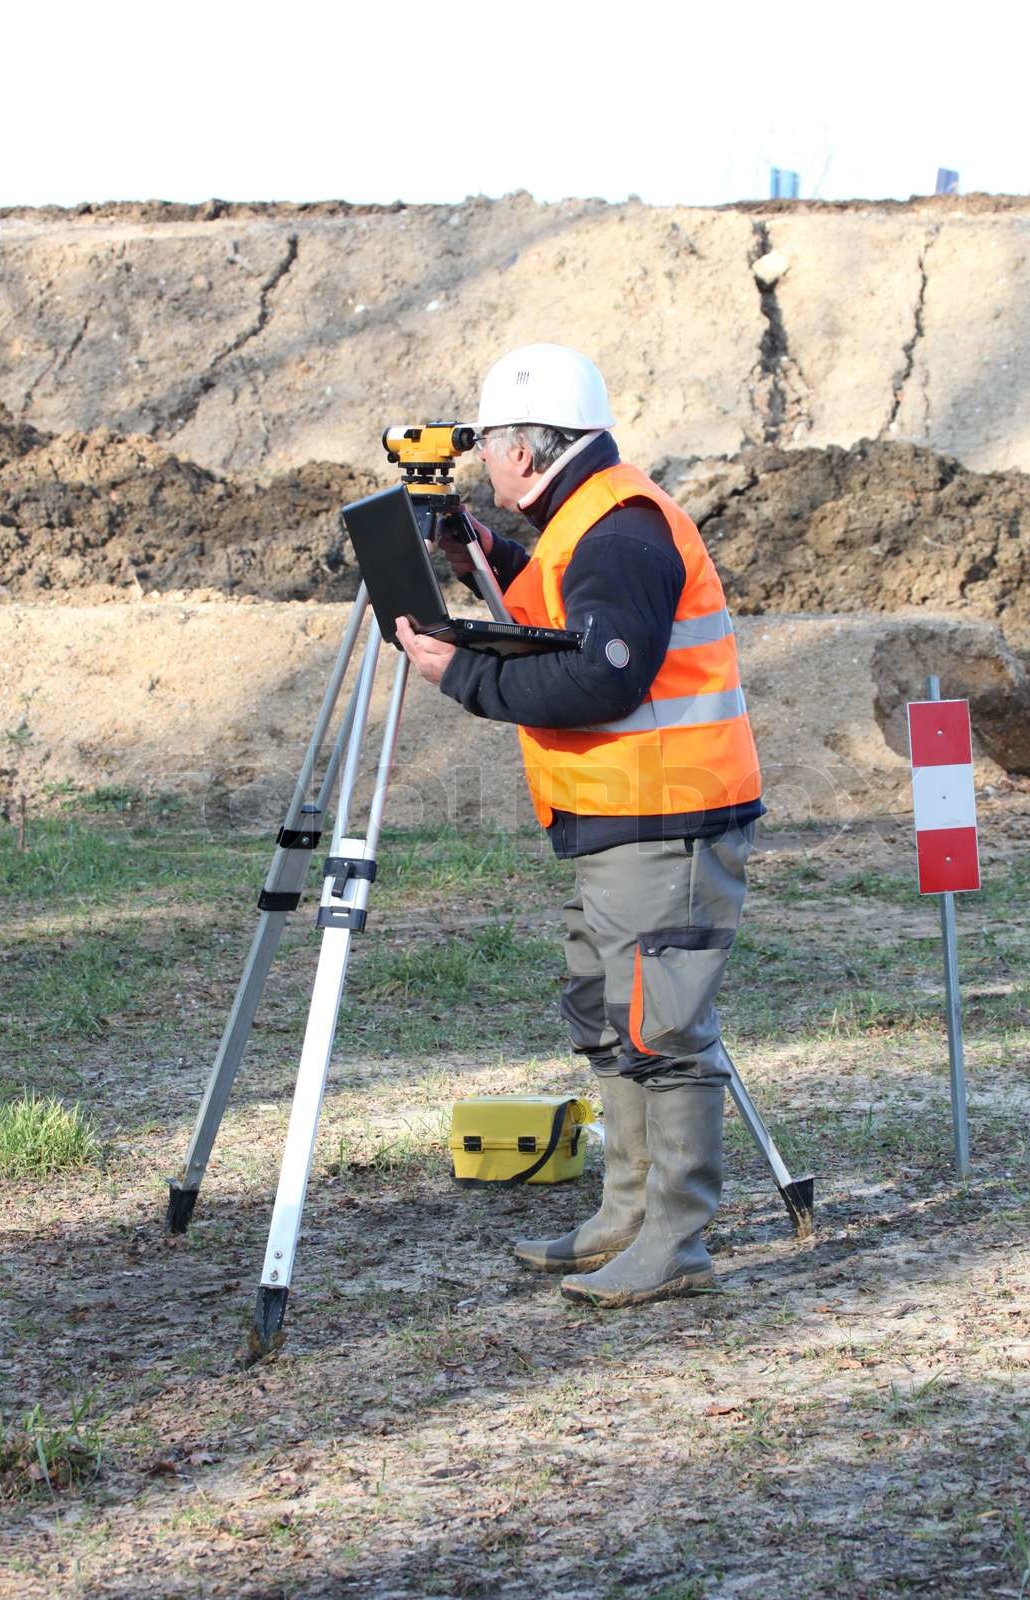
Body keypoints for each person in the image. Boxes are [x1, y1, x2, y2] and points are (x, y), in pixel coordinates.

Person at [396, 343, 764, 1308]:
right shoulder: (585, 524)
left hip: (663, 817)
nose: (482, 465)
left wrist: (459, 675)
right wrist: (486, 559)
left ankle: (675, 1241)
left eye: (486, 448)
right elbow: (566, 619)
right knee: (609, 1015)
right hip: (619, 816)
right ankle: (626, 1214)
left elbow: (603, 673)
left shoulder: (620, 530)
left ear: (522, 451)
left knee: (662, 1028)